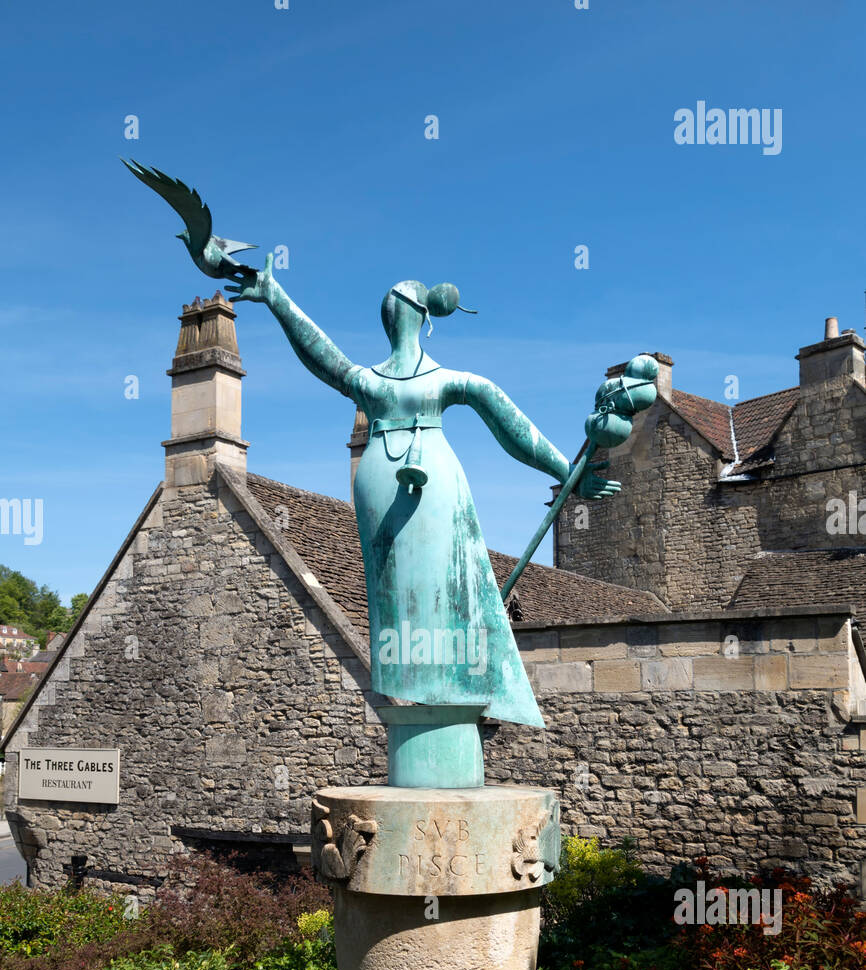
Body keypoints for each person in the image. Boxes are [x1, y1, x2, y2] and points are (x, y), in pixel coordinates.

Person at [228, 261, 620, 727]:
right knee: (393, 591)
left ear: (418, 315)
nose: (392, 310)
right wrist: (275, 296)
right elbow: (321, 354)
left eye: (397, 304)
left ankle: (457, 688)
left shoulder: (445, 380)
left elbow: (511, 426)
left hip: (433, 479)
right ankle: (414, 683)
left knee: (451, 581)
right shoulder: (370, 380)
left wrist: (568, 472)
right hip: (379, 483)